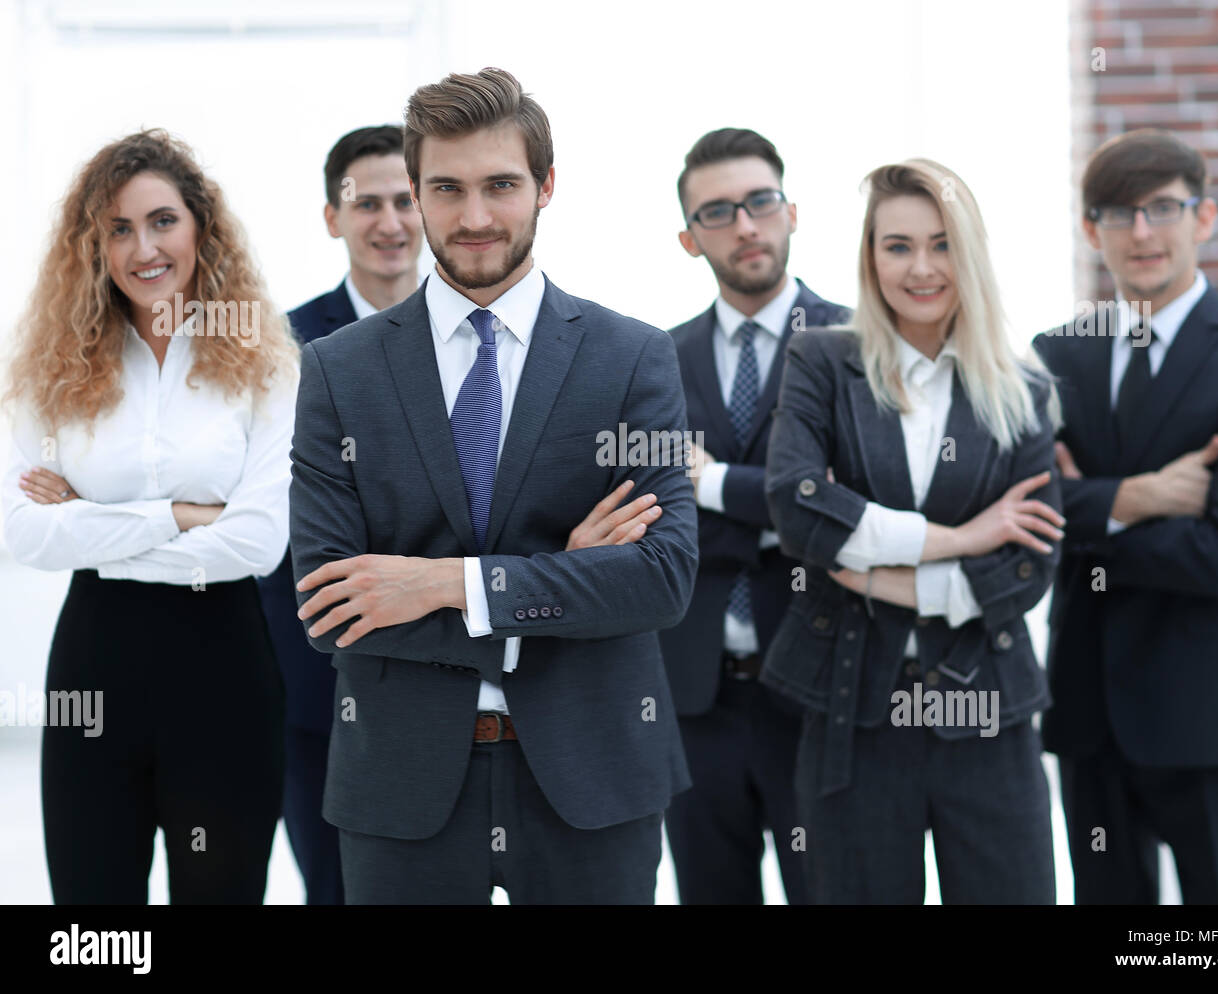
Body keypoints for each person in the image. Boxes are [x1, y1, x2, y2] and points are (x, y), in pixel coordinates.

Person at [288, 67, 698, 904]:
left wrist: (440, 583)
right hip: (402, 787)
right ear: (415, 192)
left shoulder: (634, 359)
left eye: (501, 185)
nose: (475, 217)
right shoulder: (339, 370)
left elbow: (661, 580)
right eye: (447, 188)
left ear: (546, 186)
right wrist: (558, 583)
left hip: (595, 777)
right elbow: (333, 607)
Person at [1, 129, 299, 903]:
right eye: (119, 229)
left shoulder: (265, 363)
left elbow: (260, 543)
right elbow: (24, 532)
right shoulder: (47, 373)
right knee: (95, 927)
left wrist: (94, 521)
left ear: (200, 226)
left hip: (226, 669)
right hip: (95, 672)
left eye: (162, 221)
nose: (144, 248)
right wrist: (187, 514)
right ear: (92, 246)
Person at [762, 158, 1063, 904]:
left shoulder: (1023, 388)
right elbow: (797, 508)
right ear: (870, 256)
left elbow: (1028, 566)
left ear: (971, 253)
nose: (921, 267)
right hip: (851, 709)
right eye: (897, 245)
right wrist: (960, 540)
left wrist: (874, 569)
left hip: (987, 709)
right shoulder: (822, 361)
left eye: (941, 244)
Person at [1032, 128, 1218, 904]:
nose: (1141, 232)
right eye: (1118, 213)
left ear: (1205, 217)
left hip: (1209, 712)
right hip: (1086, 707)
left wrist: (1086, 516)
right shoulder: (1054, 357)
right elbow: (1018, 516)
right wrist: (1141, 499)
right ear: (1091, 230)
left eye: (1161, 209)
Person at [659, 127, 848, 904]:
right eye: (718, 211)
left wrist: (711, 486)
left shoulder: (855, 343)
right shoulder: (656, 359)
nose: (744, 225)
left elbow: (841, 509)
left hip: (819, 686)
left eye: (760, 202)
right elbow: (645, 514)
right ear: (688, 236)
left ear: (792, 211)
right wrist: (781, 502)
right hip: (695, 696)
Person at [256, 124, 423, 906]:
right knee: (332, 886)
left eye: (405, 199)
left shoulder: (479, 337)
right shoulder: (276, 347)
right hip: (316, 679)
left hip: (449, 671)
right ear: (333, 217)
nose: (389, 222)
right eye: (367, 204)